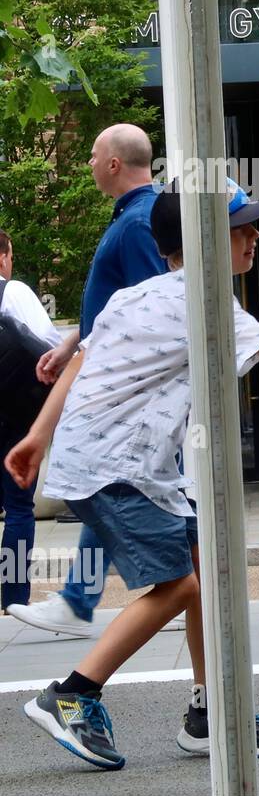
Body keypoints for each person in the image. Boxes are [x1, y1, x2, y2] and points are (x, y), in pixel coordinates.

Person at [3, 181, 259, 770]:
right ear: (202, 242)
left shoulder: (133, 295)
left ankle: (209, 712)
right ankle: (72, 694)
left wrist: (39, 437)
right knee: (179, 588)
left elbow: (80, 360)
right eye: (241, 226)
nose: (255, 234)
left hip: (100, 462)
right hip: (118, 467)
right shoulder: (204, 303)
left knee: (199, 565)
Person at [8, 124, 172, 638]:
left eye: (94, 156)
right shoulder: (134, 218)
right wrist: (70, 343)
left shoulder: (138, 223)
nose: (88, 165)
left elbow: (151, 309)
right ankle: (98, 597)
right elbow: (119, 306)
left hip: (124, 390)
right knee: (120, 485)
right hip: (118, 383)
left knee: (108, 482)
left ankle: (85, 598)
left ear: (114, 165)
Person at [0, 230, 62, 614]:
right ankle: (12, 599)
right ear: (3, 257)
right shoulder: (13, 292)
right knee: (19, 507)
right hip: (13, 416)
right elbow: (50, 346)